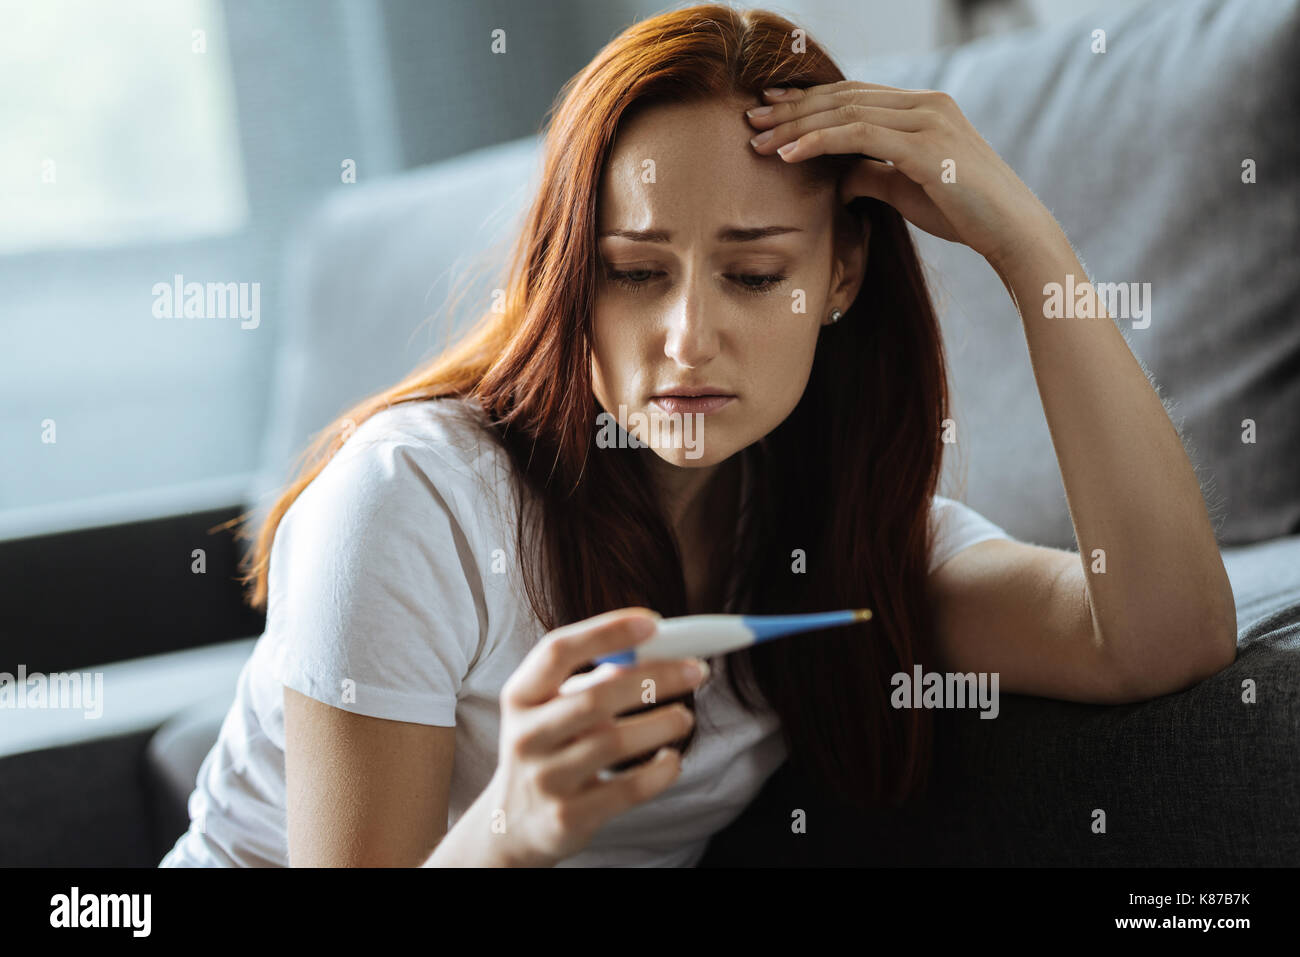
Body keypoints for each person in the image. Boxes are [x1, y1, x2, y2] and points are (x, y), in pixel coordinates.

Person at [159, 4, 1236, 868]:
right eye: (633, 273)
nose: (686, 339)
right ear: (573, 280)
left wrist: (1029, 249)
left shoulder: (837, 541)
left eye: (755, 275)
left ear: (839, 277)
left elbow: (1158, 638)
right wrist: (510, 830)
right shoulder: (410, 500)